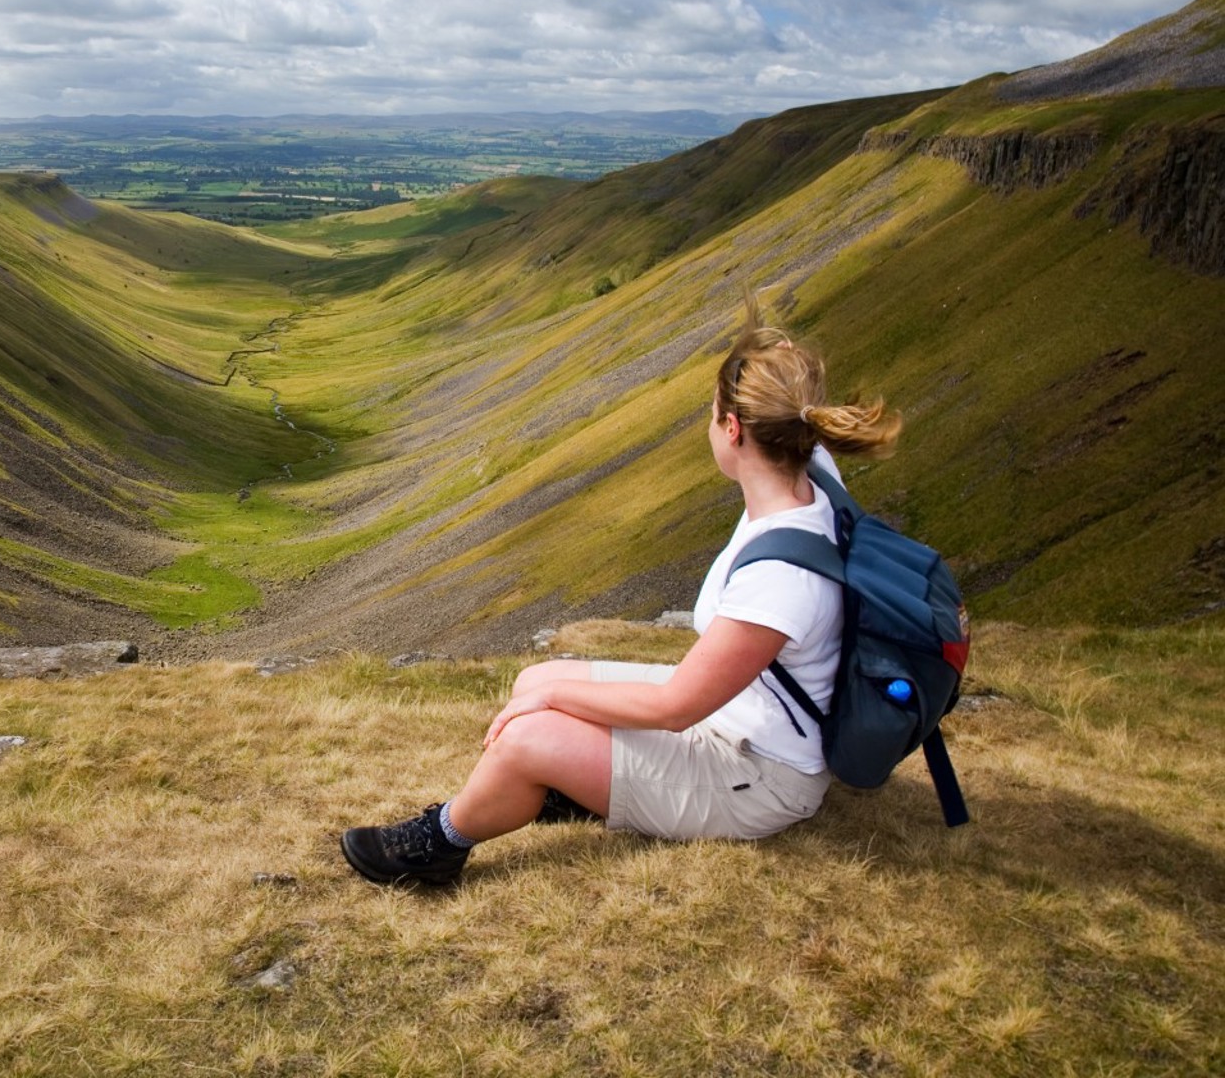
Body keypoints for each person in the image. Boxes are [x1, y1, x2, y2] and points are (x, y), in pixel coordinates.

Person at [341, 299, 903, 885]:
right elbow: (792, 404)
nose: (710, 425)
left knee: (529, 730)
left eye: (713, 415)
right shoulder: (808, 473)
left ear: (734, 430)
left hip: (758, 775)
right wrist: (549, 690)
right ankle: (569, 785)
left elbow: (675, 708)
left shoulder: (780, 577)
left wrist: (551, 703)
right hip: (738, 716)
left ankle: (441, 843)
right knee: (536, 679)